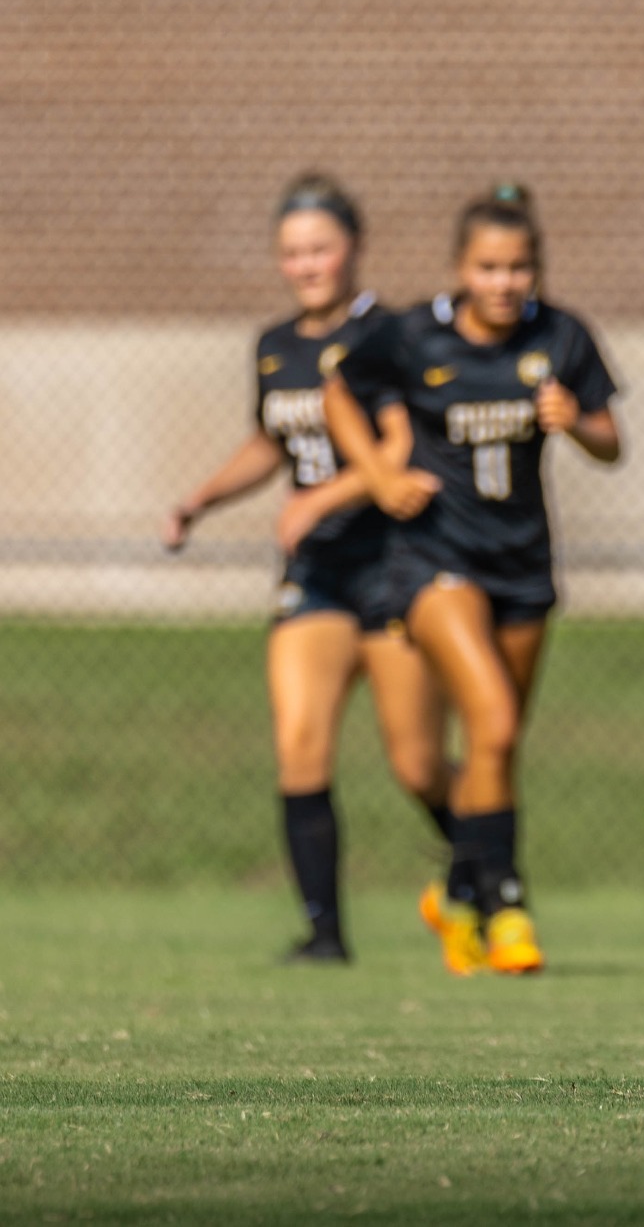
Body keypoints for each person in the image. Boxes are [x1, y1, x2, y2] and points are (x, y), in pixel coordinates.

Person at [326, 184, 621, 976]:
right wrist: (379, 474)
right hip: (435, 560)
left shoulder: (561, 338)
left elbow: (609, 438)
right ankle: (508, 906)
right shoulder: (415, 334)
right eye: (488, 267)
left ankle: (458, 892)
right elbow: (339, 391)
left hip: (523, 566)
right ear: (460, 269)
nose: (504, 281)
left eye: (520, 267)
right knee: (478, 723)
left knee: (495, 741)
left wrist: (577, 422)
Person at [162, 173, 455, 963]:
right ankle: (324, 934)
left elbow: (397, 449)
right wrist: (201, 498)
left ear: (352, 248)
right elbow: (271, 441)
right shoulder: (274, 347)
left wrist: (319, 500)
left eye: (320, 248)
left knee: (418, 762)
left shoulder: (386, 335)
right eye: (292, 252)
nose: (307, 264)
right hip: (318, 576)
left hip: (394, 567)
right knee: (299, 741)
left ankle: (487, 875)